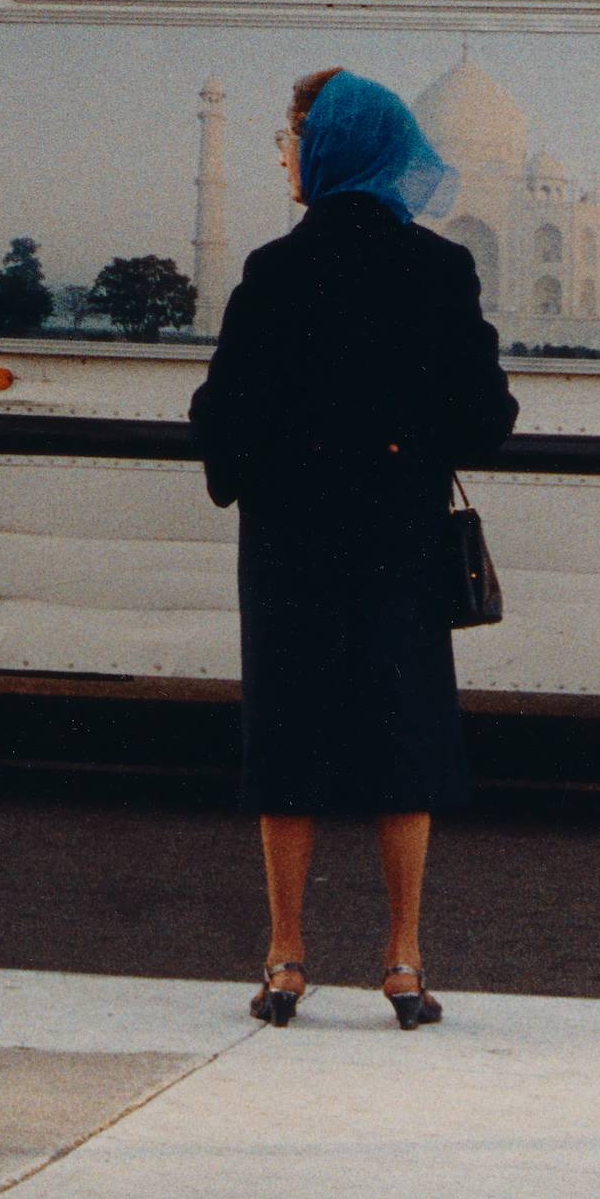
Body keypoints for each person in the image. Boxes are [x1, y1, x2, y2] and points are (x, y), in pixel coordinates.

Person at [187, 66, 516, 1032]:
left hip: (293, 537)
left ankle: (286, 958)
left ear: (325, 149)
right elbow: (485, 415)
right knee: (401, 734)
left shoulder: (273, 270)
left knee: (288, 735)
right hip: (398, 537)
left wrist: (266, 464)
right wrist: (405, 451)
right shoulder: (438, 268)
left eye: (291, 141)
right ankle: (404, 961)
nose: (285, 159)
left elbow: (222, 413)